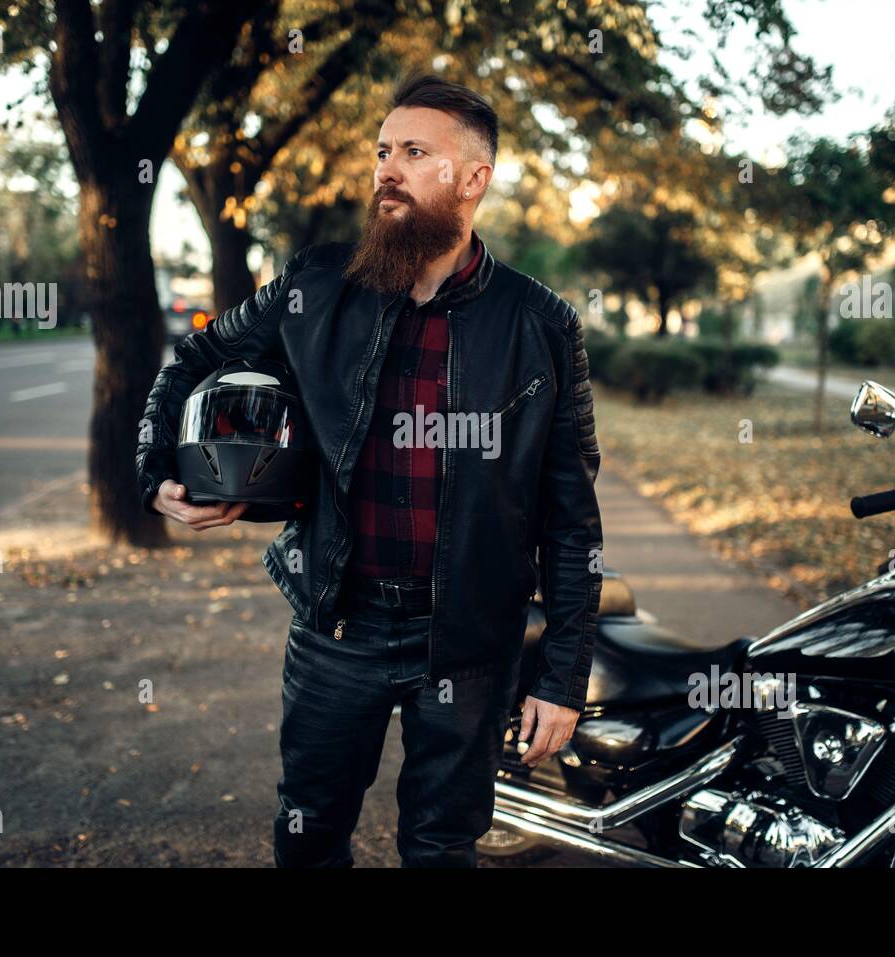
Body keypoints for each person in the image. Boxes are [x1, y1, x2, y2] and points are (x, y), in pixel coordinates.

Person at [136, 69, 603, 867]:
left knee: (442, 846)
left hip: (468, 643)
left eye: (415, 152)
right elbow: (197, 355)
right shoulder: (315, 286)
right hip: (338, 627)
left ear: (473, 179)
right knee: (309, 831)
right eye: (383, 150)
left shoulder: (542, 324)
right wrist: (160, 472)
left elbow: (571, 519)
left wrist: (561, 676)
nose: (387, 168)